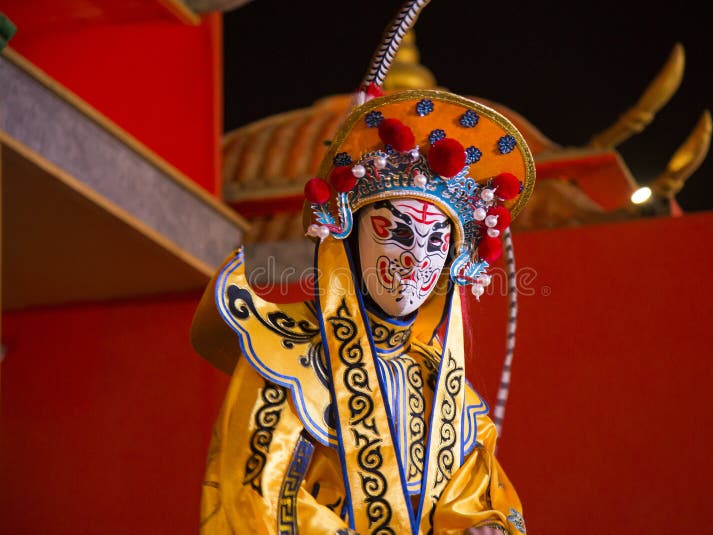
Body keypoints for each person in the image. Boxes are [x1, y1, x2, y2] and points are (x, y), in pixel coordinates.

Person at [192, 5, 535, 534]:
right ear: (347, 239)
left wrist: (481, 526)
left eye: (435, 240)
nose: (415, 258)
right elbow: (250, 497)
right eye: (394, 231)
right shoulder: (286, 356)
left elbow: (475, 501)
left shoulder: (450, 396)